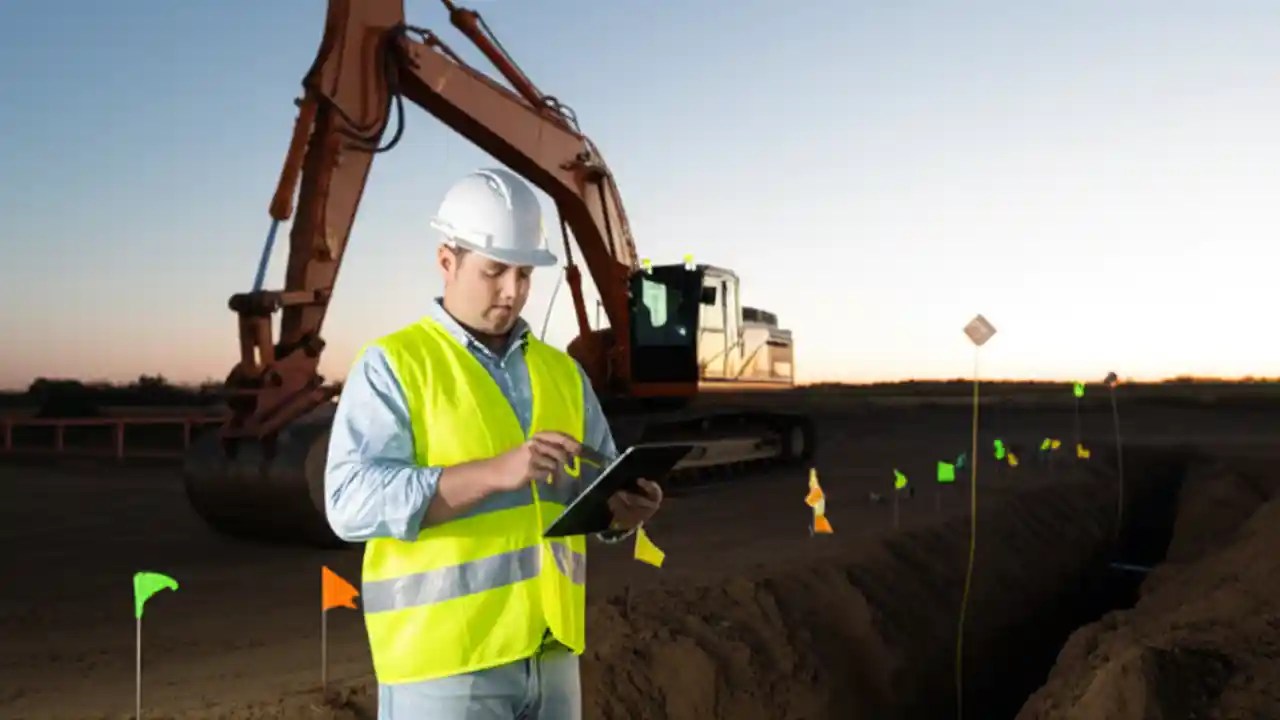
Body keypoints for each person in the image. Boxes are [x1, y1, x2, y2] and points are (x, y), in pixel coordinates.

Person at [324, 166, 664, 719]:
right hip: (444, 665)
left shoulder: (563, 373)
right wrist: (493, 472)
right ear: (446, 262)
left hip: (550, 651)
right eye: (495, 271)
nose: (513, 291)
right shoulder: (394, 365)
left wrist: (621, 514)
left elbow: (590, 492)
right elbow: (348, 503)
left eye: (525, 274)